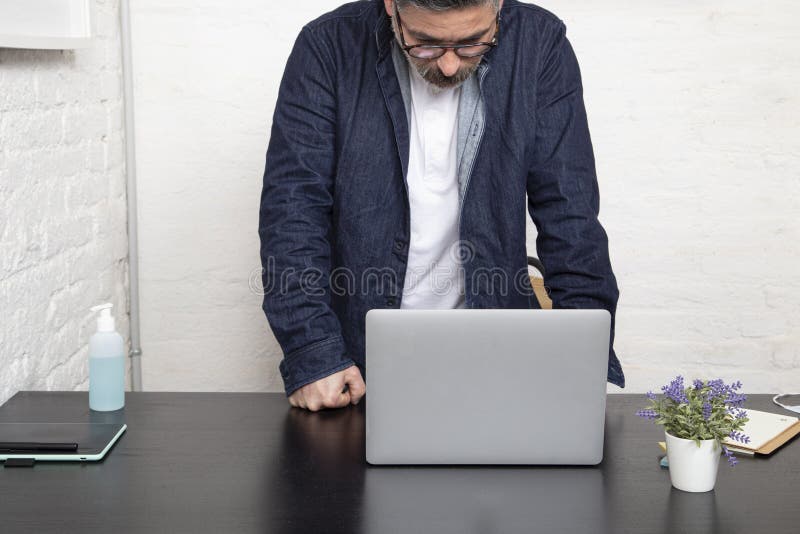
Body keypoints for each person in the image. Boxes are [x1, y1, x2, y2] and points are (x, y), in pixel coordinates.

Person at [259, 0, 623, 411]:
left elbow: (570, 215)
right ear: (391, 6)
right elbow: (293, 212)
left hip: (499, 358)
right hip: (354, 369)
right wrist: (313, 351)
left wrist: (580, 361)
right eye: (426, 45)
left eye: (472, 44)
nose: (449, 66)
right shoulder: (328, 46)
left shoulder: (540, 44)